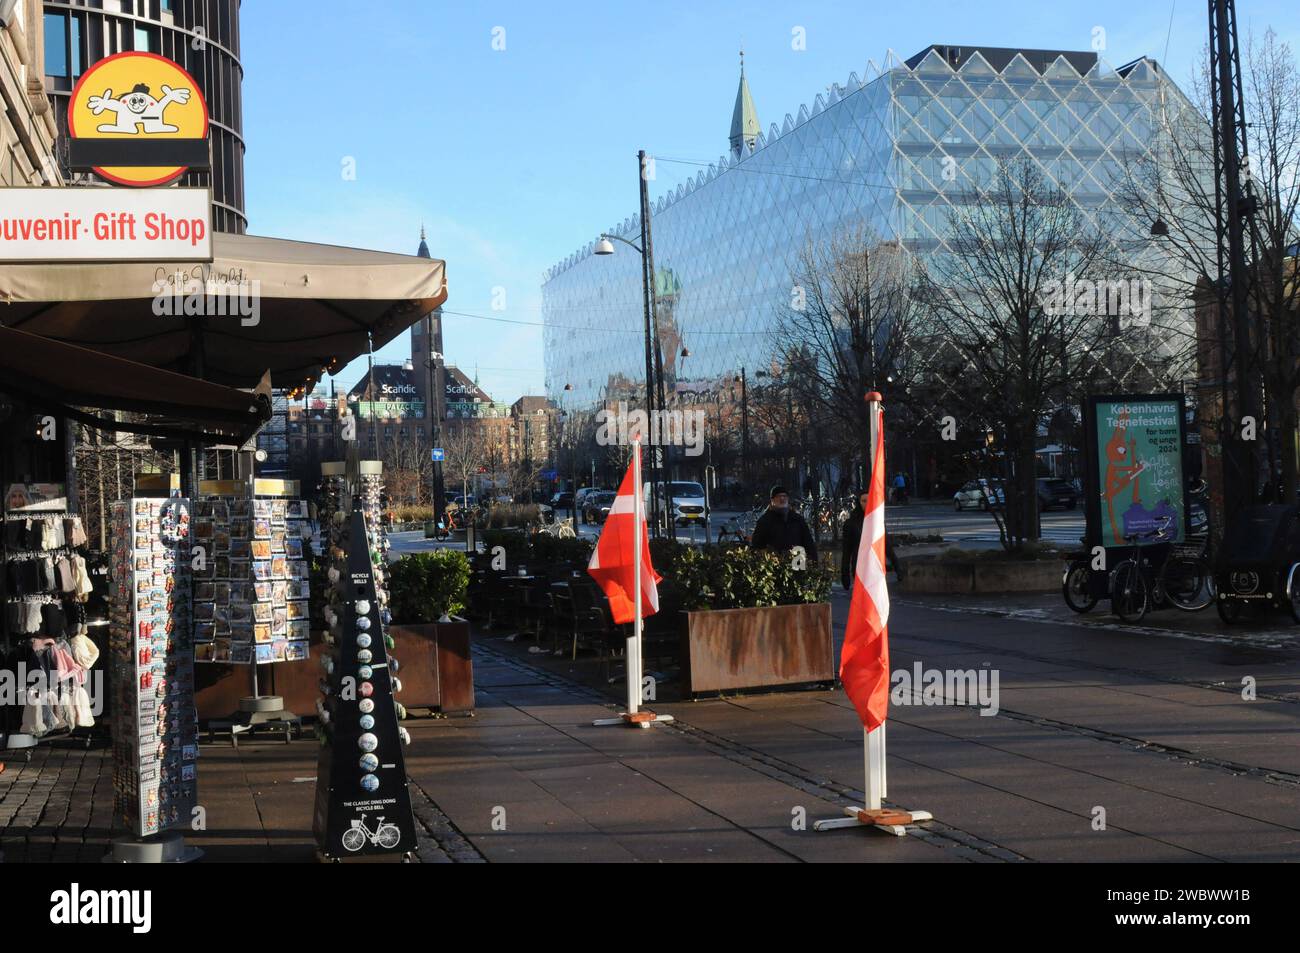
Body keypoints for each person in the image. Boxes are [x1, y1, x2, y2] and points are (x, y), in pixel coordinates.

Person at [751, 485, 817, 560]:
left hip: (797, 562)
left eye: (784, 496)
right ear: (772, 500)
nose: (782, 499)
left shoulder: (797, 519)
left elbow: (808, 543)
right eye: (778, 496)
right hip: (777, 565)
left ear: (788, 499)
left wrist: (814, 563)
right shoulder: (764, 521)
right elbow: (757, 545)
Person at [840, 488, 870, 590]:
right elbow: (847, 551)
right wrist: (845, 574)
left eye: (869, 500)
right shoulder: (851, 523)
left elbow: (886, 546)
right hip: (859, 567)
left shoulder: (876, 520)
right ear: (859, 502)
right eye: (864, 501)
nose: (867, 504)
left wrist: (896, 565)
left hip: (875, 567)